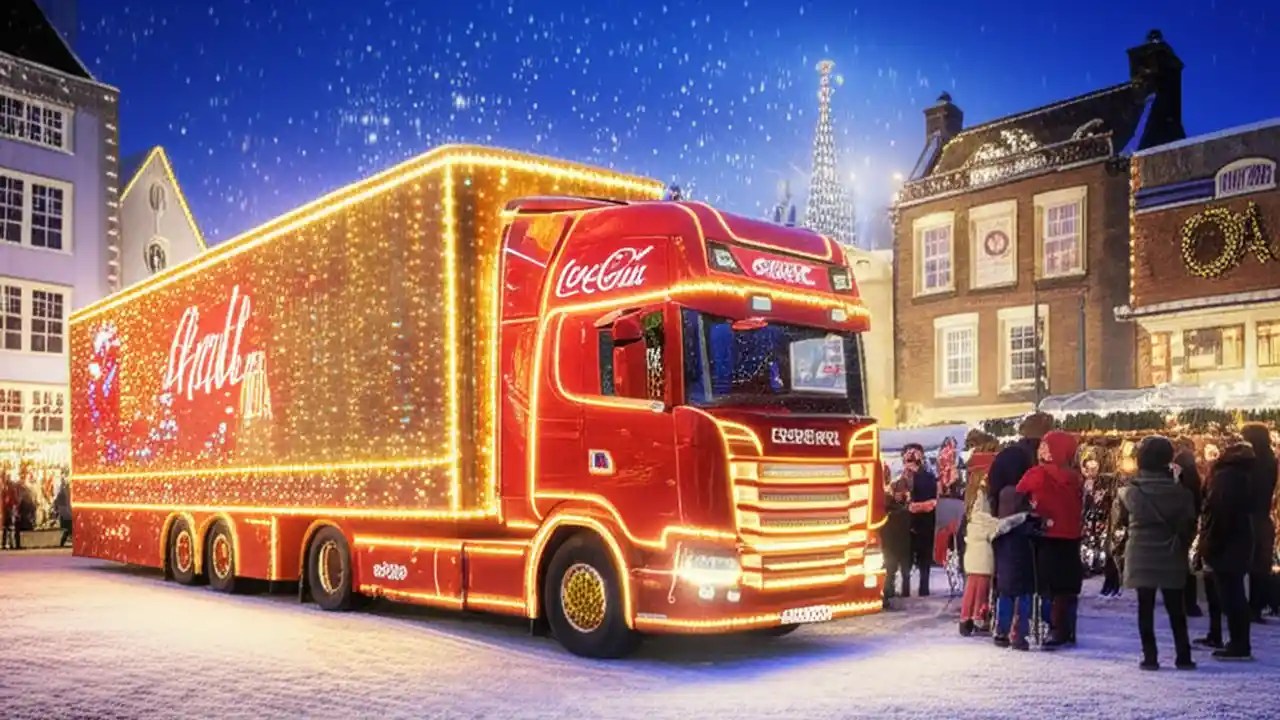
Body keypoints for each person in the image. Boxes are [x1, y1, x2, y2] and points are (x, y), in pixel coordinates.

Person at [1113, 436, 1197, 671]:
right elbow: (1190, 523)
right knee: (1176, 609)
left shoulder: (1130, 493)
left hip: (1141, 553)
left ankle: (1150, 657)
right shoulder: (1181, 493)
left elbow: (1120, 524)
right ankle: (1183, 656)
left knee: (1145, 608)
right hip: (1171, 552)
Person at [1016, 429, 1084, 648]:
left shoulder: (1036, 474)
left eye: (1046, 445)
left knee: (1044, 586)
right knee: (1067, 587)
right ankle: (1066, 629)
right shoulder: (1075, 478)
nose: (1041, 449)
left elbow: (1018, 494)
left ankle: (1045, 628)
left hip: (1045, 535)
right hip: (1071, 536)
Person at [1199, 441, 1256, 661]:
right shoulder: (1244, 474)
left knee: (1231, 595)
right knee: (1235, 593)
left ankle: (1239, 644)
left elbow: (1219, 512)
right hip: (1238, 541)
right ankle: (1239, 642)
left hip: (1226, 543)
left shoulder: (1227, 476)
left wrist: (1211, 542)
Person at [992, 486, 1040, 651]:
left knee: (1005, 600)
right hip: (1023, 571)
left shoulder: (999, 528)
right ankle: (1019, 635)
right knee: (1024, 602)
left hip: (1005, 571)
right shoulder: (1026, 526)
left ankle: (1001, 633)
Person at [1241, 423, 1277, 624]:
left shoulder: (1254, 462)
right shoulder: (1269, 459)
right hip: (1262, 517)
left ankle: (1252, 607)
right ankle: (1256, 605)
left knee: (1251, 564)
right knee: (1259, 566)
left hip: (1252, 517)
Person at [987, 412, 1054, 516]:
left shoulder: (1006, 453)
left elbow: (994, 486)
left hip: (1005, 518)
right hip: (1031, 518)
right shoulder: (1041, 455)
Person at [959, 478, 998, 636]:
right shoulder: (982, 499)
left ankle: (965, 619)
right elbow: (987, 522)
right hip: (983, 555)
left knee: (971, 589)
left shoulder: (970, 501)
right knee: (981, 589)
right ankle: (978, 618)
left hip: (973, 555)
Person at [1172, 437, 1204, 617]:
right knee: (1186, 564)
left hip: (1181, 525)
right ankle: (1189, 603)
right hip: (1189, 524)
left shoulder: (1180, 482)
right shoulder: (1195, 480)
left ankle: (1186, 602)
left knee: (1181, 564)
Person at [902, 444, 939, 597]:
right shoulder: (903, 479)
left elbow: (933, 502)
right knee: (910, 558)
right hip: (913, 523)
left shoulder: (928, 479)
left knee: (920, 558)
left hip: (922, 523)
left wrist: (914, 507)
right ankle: (911, 588)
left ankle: (918, 588)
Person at [881, 476, 913, 607]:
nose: (900, 495)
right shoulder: (904, 511)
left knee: (896, 570)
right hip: (896, 544)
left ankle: (894, 592)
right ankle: (891, 592)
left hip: (896, 544)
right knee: (895, 570)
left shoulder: (888, 510)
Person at [54, 480, 72, 547]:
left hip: (64, 514)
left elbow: (57, 504)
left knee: (67, 530)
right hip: (66, 514)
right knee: (68, 530)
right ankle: (62, 542)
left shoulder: (62, 493)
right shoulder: (64, 494)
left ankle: (62, 543)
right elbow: (66, 505)